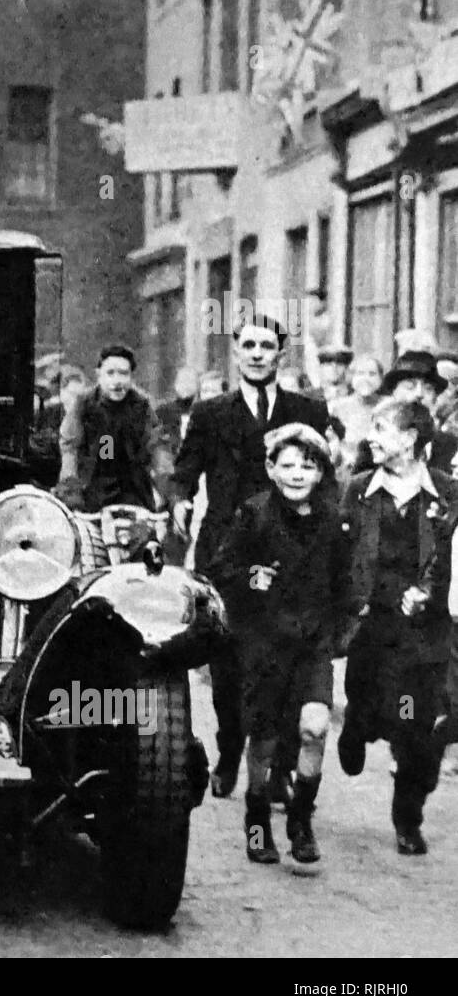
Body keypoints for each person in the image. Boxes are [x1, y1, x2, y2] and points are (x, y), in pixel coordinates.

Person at [171, 315, 330, 799]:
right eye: (249, 345)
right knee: (227, 661)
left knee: (283, 659)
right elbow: (187, 469)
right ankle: (227, 752)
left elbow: (323, 474)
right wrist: (179, 499)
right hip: (227, 551)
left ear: (281, 353)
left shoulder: (307, 409)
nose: (258, 353)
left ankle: (278, 767)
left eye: (267, 345)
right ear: (235, 352)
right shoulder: (211, 412)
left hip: (290, 548)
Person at [209, 424, 347, 865]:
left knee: (314, 729)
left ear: (322, 473)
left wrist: (340, 631)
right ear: (270, 469)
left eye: (308, 466)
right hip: (264, 642)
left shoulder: (333, 519)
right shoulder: (253, 514)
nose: (297, 475)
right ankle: (256, 823)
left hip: (312, 643)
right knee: (264, 740)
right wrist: (251, 577)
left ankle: (301, 820)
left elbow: (347, 582)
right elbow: (220, 571)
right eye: (287, 465)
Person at [338, 400, 457, 855]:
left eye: (382, 428)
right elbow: (339, 552)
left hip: (422, 636)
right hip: (370, 629)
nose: (372, 436)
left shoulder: (448, 495)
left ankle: (408, 816)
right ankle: (357, 723)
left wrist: (428, 592)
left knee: (415, 725)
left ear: (410, 439)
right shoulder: (358, 490)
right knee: (368, 700)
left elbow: (450, 557)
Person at [56, 345, 171, 512]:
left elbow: (158, 448)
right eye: (110, 373)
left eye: (123, 374)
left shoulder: (142, 406)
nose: (117, 381)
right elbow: (70, 448)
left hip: (133, 493)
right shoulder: (84, 405)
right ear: (99, 375)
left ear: (132, 377)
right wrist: (70, 491)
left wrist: (168, 490)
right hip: (91, 492)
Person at [352, 352, 457, 473]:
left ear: (435, 398)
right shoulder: (372, 447)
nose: (419, 394)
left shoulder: (451, 445)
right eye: (409, 387)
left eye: (428, 388)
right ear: (393, 393)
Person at [329, 355, 382, 461]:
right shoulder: (337, 407)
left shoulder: (388, 405)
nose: (366, 379)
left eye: (372, 374)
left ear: (381, 378)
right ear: (351, 377)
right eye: (360, 373)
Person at [156, 368, 199, 459]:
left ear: (197, 386)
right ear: (175, 385)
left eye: (190, 382)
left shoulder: (202, 411)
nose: (186, 386)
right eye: (182, 382)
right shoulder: (163, 411)